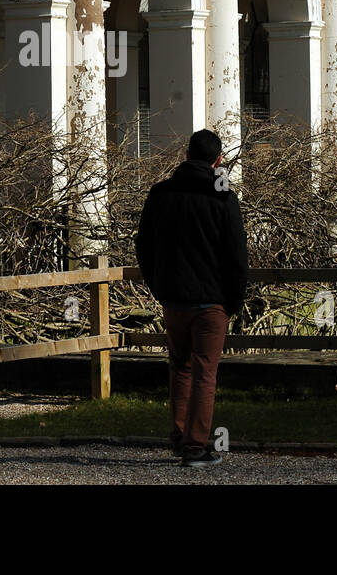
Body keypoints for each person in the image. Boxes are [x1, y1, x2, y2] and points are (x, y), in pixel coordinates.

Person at [135, 128, 248, 468]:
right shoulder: (223, 197)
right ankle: (196, 447)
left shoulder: (161, 193)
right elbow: (236, 254)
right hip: (211, 301)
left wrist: (157, 285)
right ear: (218, 161)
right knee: (204, 373)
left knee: (180, 368)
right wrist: (234, 300)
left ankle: (180, 436)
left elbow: (144, 244)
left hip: (174, 299)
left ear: (186, 155)